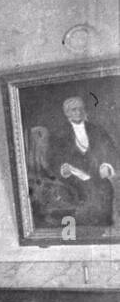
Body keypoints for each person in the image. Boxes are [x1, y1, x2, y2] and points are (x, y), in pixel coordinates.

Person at [45, 95, 117, 228]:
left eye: (80, 109)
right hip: (72, 178)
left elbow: (111, 149)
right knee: (85, 196)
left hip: (97, 175)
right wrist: (63, 169)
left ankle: (104, 230)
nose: (78, 112)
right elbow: (52, 158)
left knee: (105, 190)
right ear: (67, 113)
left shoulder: (96, 130)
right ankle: (85, 232)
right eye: (74, 110)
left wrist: (106, 165)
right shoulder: (58, 133)